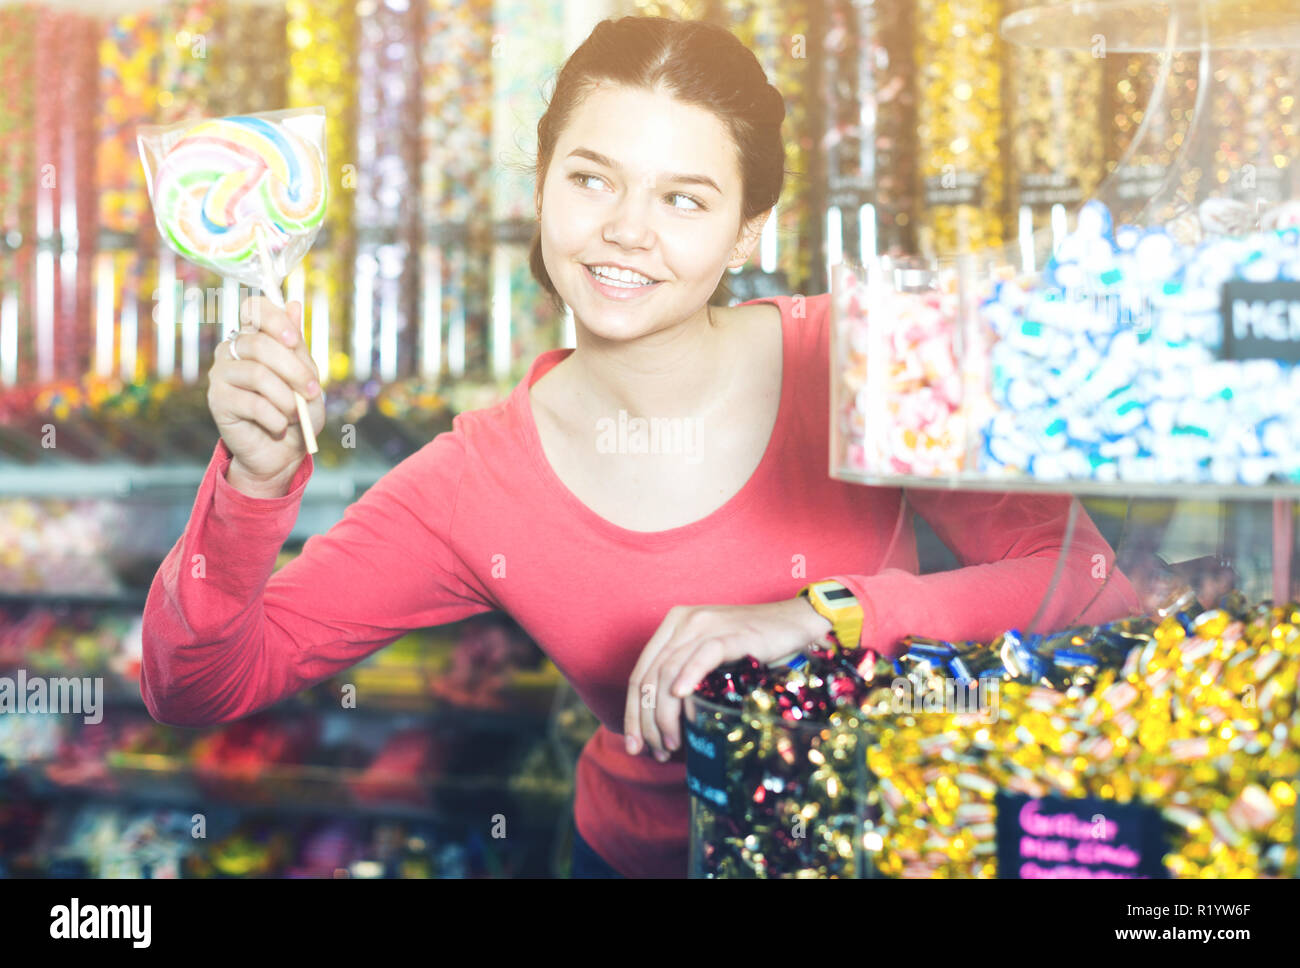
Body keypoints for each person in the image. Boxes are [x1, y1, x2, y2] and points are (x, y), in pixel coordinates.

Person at [140, 15, 1140, 878]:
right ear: (541, 186)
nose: (624, 231)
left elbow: (1090, 581)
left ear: (749, 230)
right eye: (591, 178)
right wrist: (254, 484)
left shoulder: (866, 356)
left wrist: (817, 614)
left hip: (868, 843)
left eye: (683, 198)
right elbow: (197, 685)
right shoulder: (473, 482)